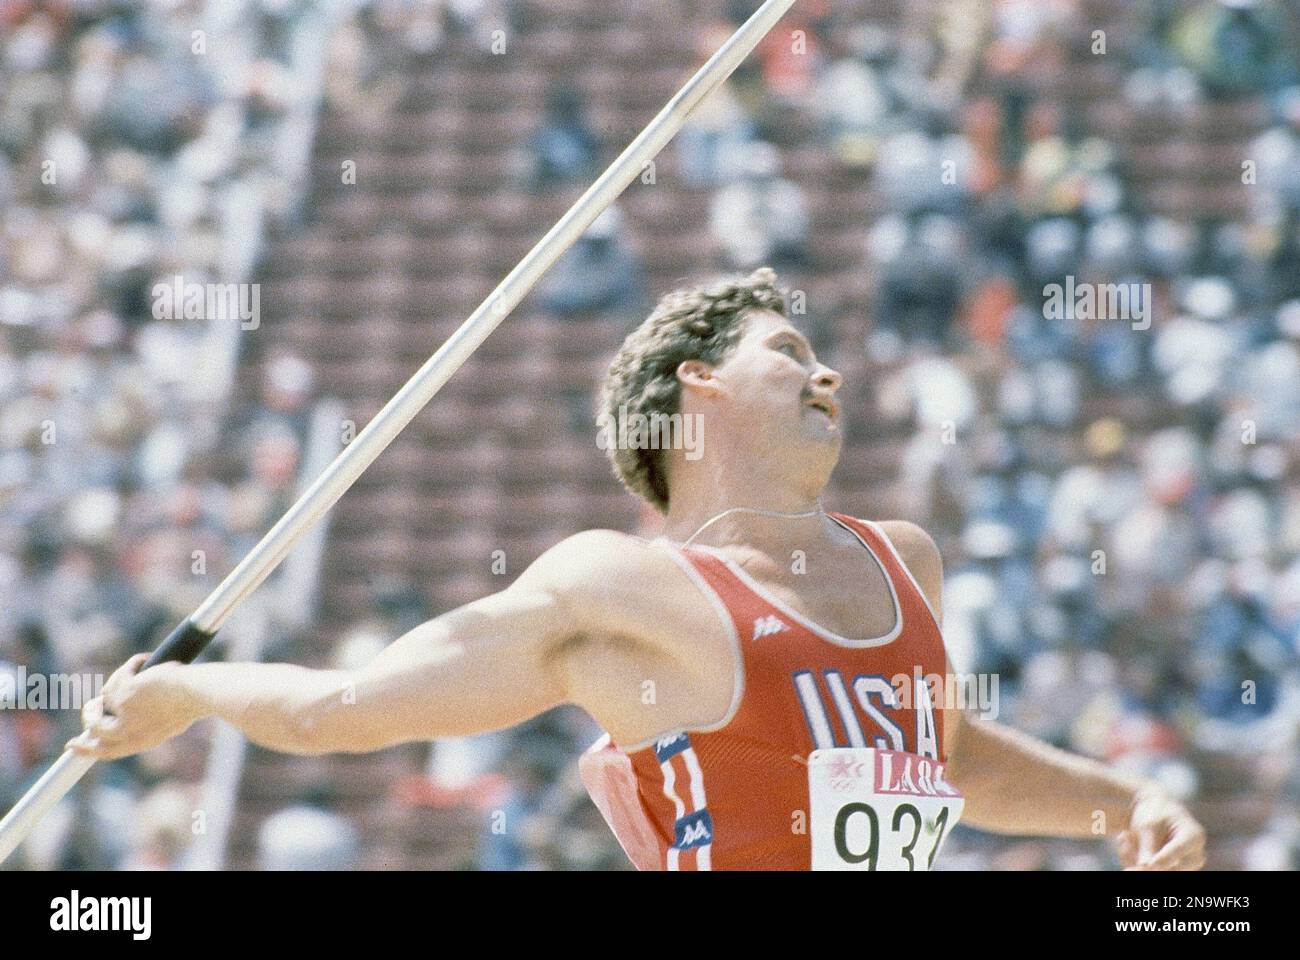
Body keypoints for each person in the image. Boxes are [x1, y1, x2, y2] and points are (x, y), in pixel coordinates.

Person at [68, 268, 1206, 871]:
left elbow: (941, 756)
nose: (830, 378)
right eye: (790, 353)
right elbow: (343, 712)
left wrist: (1127, 802)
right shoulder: (616, 586)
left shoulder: (903, 560)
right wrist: (186, 692)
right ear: (698, 389)